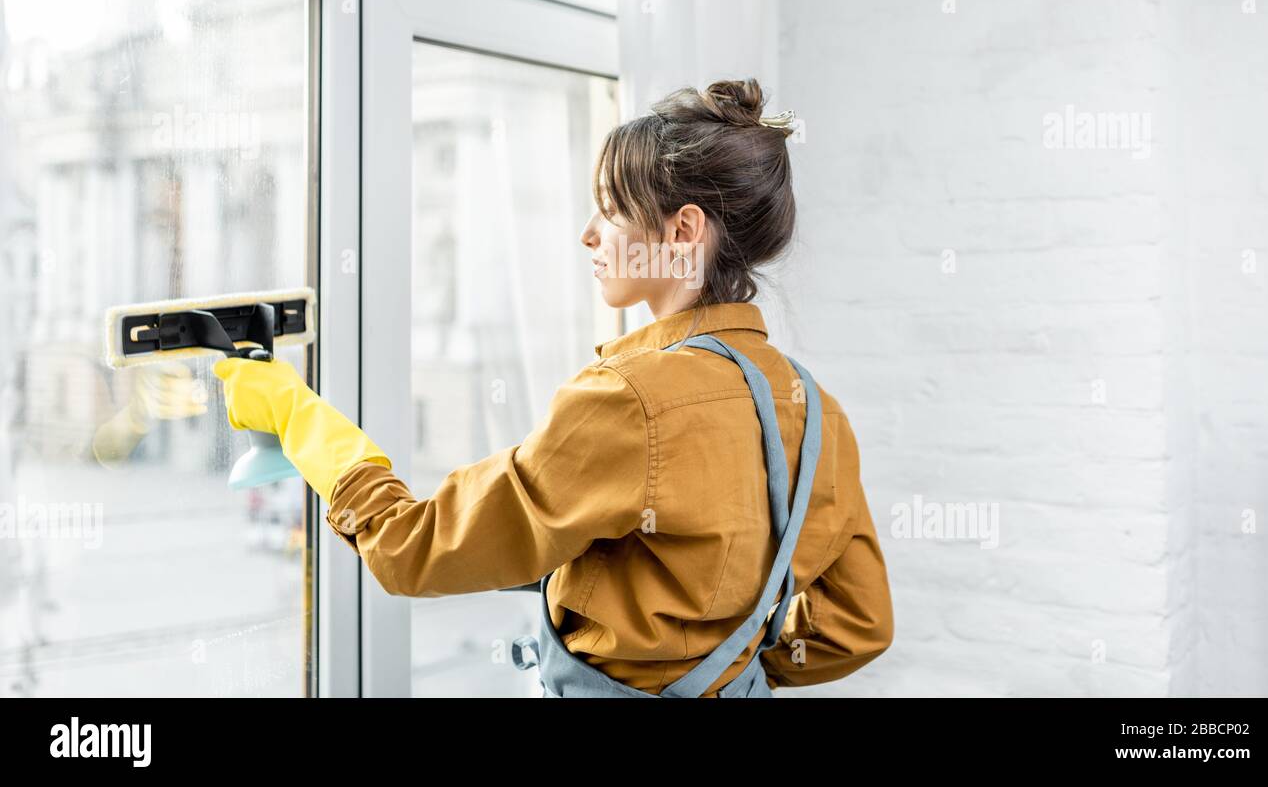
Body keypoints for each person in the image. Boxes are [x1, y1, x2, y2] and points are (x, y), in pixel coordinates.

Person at [214, 78, 894, 697]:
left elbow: (410, 549)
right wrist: (721, 670)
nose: (589, 234)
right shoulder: (816, 408)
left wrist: (296, 413)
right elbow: (858, 623)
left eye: (609, 209)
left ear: (682, 231)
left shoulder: (629, 399)